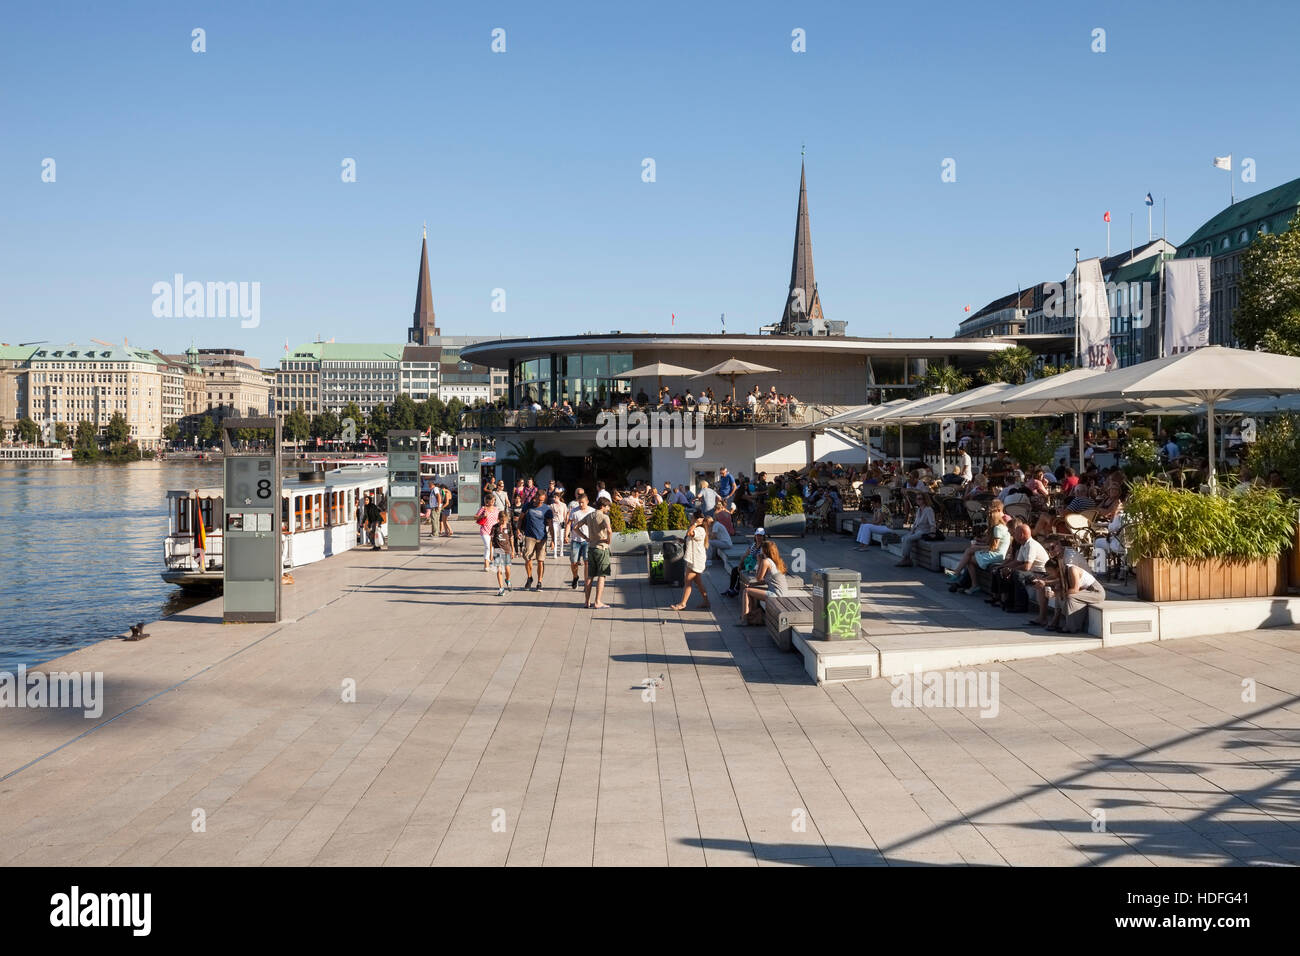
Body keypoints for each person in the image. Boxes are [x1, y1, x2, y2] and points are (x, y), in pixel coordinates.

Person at [944, 499, 1010, 593]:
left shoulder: (998, 528)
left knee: (969, 556)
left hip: (997, 555)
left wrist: (978, 547)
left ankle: (960, 575)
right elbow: (991, 544)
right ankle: (964, 578)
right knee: (969, 554)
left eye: (990, 515)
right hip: (998, 553)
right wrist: (979, 543)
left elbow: (994, 547)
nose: (989, 518)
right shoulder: (999, 527)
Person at [986, 520, 1048, 612]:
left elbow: (1027, 566)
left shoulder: (1031, 545)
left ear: (1022, 535)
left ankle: (1021, 606)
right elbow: (1017, 562)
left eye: (1015, 534)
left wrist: (1010, 569)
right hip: (1032, 571)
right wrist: (1003, 568)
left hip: (1040, 573)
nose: (1013, 535)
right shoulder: (1024, 544)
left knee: (1017, 575)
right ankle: (1006, 601)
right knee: (1002, 571)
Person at [740, 540, 789, 625]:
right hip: (782, 592)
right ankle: (753, 617)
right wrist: (753, 585)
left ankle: (744, 619)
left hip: (776, 594)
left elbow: (758, 578)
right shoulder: (776, 561)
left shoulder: (765, 561)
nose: (760, 550)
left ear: (765, 550)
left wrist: (759, 561)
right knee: (750, 589)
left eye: (761, 548)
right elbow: (766, 580)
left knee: (746, 591)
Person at [670, 511, 712, 610]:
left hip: (696, 560)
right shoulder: (697, 529)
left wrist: (696, 523)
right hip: (693, 558)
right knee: (698, 582)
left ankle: (683, 604)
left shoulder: (700, 529)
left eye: (692, 518)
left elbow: (690, 533)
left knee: (688, 581)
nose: (691, 520)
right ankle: (706, 602)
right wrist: (683, 541)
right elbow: (691, 538)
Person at [583, 497, 613, 609]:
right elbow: (609, 530)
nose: (609, 508)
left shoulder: (589, 516)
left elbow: (575, 527)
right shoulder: (605, 517)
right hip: (601, 548)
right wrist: (608, 540)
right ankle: (597, 602)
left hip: (591, 548)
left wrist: (585, 537)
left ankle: (587, 602)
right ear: (603, 506)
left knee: (590, 576)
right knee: (602, 575)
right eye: (608, 506)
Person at [895, 492, 937, 568]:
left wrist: (932, 533)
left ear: (925, 500)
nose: (918, 500)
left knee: (908, 539)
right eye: (917, 499)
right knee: (904, 538)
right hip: (917, 530)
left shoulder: (928, 509)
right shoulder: (919, 510)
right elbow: (915, 523)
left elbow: (932, 523)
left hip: (924, 531)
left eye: (920, 499)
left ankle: (906, 559)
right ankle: (906, 558)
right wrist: (912, 531)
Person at [521, 492, 550, 590]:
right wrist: (518, 530)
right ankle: (529, 578)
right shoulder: (527, 506)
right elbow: (521, 518)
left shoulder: (547, 509)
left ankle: (539, 582)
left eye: (543, 500)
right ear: (535, 497)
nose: (541, 502)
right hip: (529, 536)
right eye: (539, 500)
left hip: (542, 538)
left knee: (540, 560)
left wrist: (553, 540)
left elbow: (550, 525)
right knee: (528, 559)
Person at [724, 527, 765, 596]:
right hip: (750, 564)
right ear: (755, 536)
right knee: (735, 569)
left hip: (757, 566)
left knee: (743, 573)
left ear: (764, 537)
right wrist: (740, 564)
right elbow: (745, 555)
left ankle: (736, 590)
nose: (759, 537)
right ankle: (731, 589)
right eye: (757, 535)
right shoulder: (753, 545)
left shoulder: (764, 546)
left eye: (760, 536)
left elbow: (762, 560)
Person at [567, 491, 593, 589]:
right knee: (574, 562)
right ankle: (575, 576)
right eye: (579, 503)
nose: (581, 504)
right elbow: (569, 523)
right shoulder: (574, 511)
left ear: (587, 501)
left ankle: (586, 583)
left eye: (582, 502)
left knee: (586, 562)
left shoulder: (592, 511)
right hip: (575, 540)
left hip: (587, 540)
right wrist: (566, 535)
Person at [474, 490, 499, 571]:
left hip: (494, 531)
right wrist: (482, 516)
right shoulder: (483, 508)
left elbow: (498, 519)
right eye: (491, 500)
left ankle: (490, 561)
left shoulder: (496, 509)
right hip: (485, 530)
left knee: (493, 547)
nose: (492, 502)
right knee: (488, 547)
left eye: (493, 500)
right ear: (487, 501)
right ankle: (486, 565)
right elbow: (475, 517)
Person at [491, 516, 515, 596]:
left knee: (507, 569)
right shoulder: (495, 527)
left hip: (507, 550)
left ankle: (507, 580)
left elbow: (511, 538)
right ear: (499, 519)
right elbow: (491, 540)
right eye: (502, 521)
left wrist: (513, 550)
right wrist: (491, 553)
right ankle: (501, 588)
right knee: (499, 570)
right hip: (497, 550)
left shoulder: (508, 526)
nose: (503, 522)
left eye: (504, 521)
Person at [549, 490, 567, 559]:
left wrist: (565, 523)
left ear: (559, 497)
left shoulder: (563, 505)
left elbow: (565, 515)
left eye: (555, 497)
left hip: (561, 522)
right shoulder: (552, 505)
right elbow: (550, 514)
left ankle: (561, 551)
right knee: (555, 537)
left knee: (561, 537)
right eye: (553, 497)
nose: (554, 498)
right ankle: (555, 553)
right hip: (554, 522)